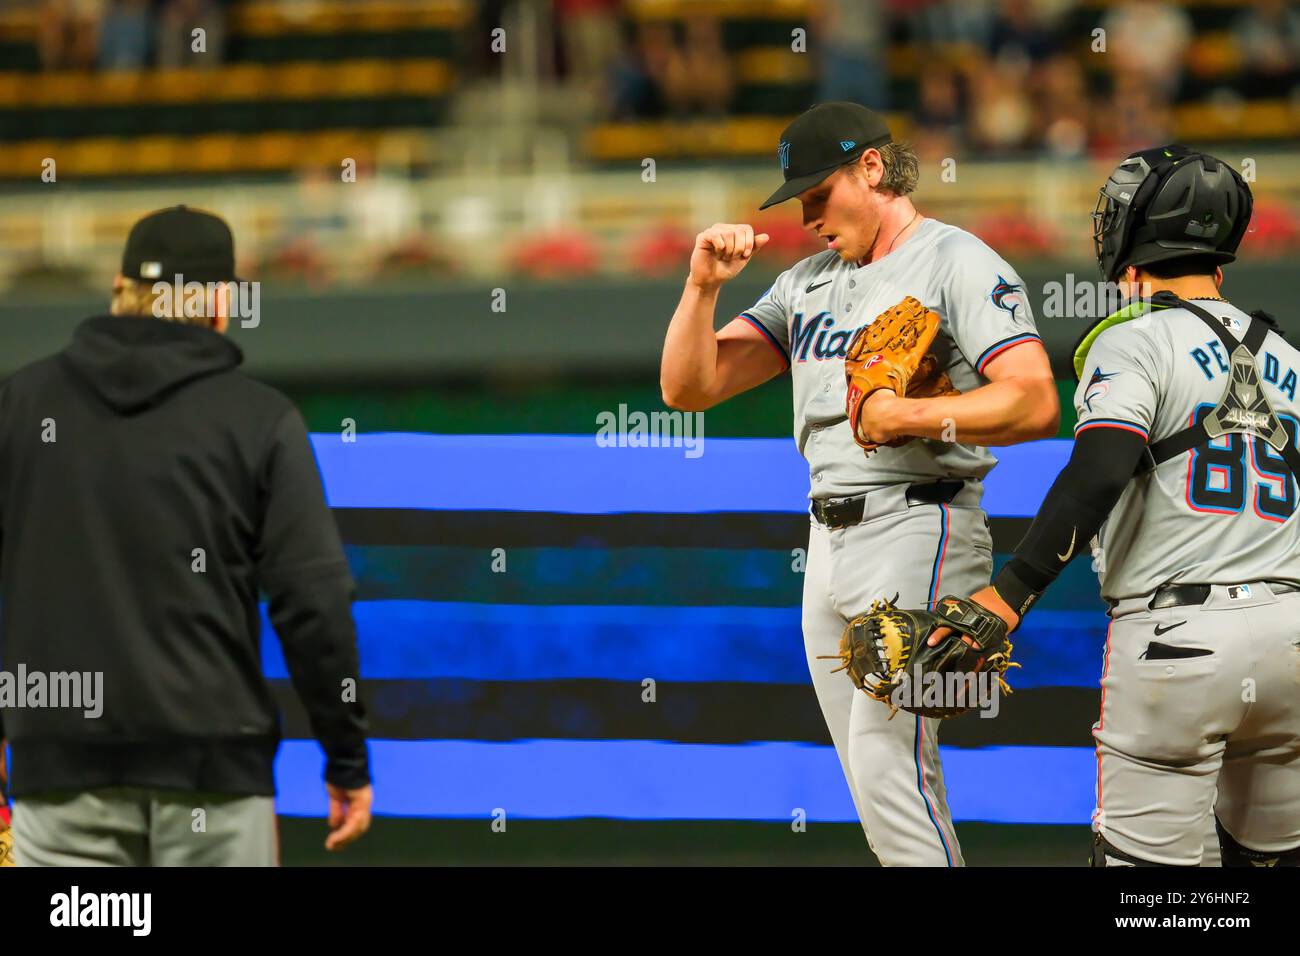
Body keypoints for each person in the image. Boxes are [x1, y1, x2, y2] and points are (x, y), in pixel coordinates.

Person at [659, 102, 1058, 866]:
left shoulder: (956, 260)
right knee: (874, 775)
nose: (806, 214)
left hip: (921, 519)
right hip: (828, 541)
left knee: (888, 758)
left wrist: (903, 413)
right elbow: (689, 388)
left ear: (871, 168)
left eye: (817, 193)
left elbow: (1037, 400)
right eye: (798, 199)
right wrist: (701, 286)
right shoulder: (806, 282)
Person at [947, 145, 1300, 867]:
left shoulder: (1133, 338)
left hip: (1179, 640)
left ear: (1134, 238)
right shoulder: (1291, 359)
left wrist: (1010, 593)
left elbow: (1099, 468)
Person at [0, 205, 372, 866]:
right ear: (220, 305)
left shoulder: (19, 407)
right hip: (213, 774)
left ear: (118, 292)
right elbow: (315, 603)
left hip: (58, 773)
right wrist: (344, 757)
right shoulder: (259, 420)